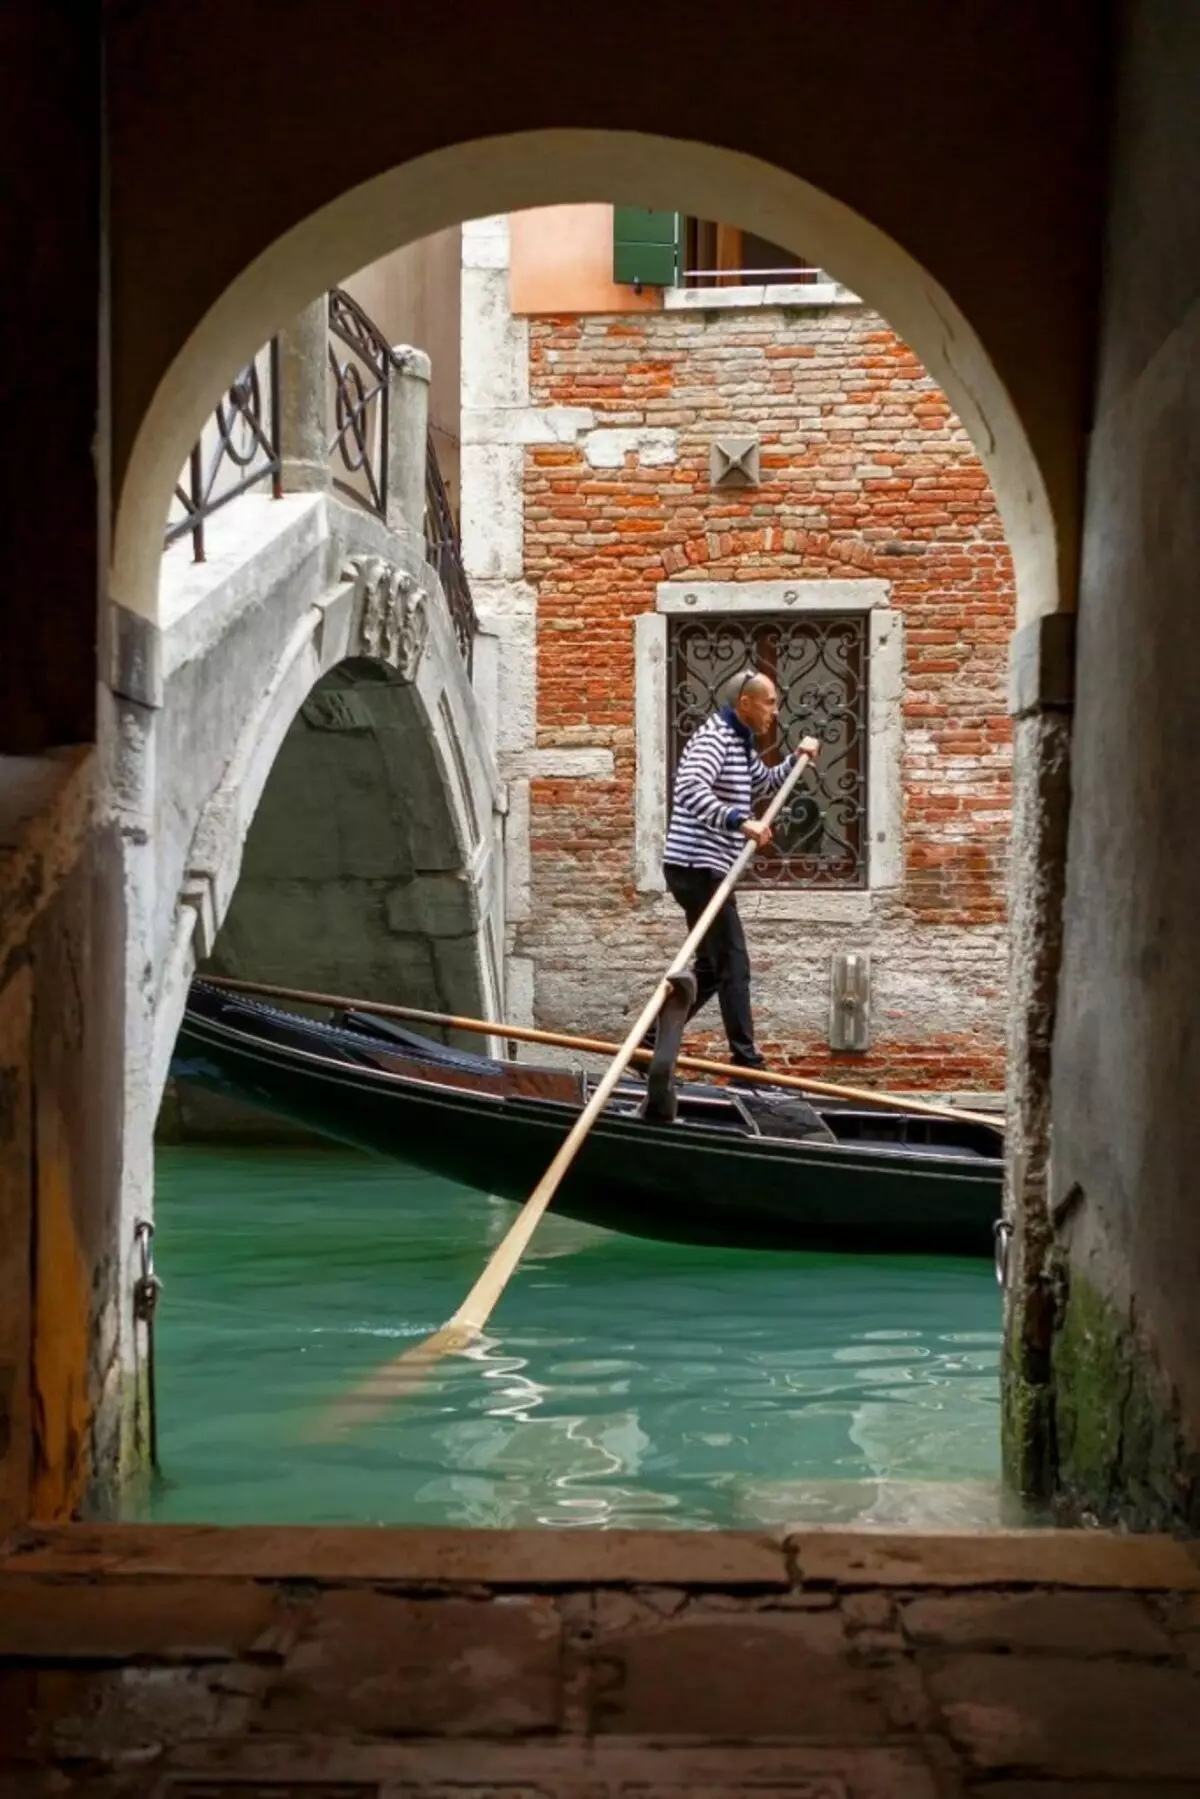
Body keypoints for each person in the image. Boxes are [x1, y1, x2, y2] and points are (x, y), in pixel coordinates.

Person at [659, 669, 819, 1068]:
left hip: (703, 868)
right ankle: (746, 1063)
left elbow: (761, 783)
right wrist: (739, 821)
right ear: (744, 703)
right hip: (697, 865)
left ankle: (648, 1045)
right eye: (770, 702)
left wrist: (794, 762)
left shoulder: (738, 741)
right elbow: (690, 787)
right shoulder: (715, 738)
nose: (775, 712)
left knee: (712, 970)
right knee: (735, 964)